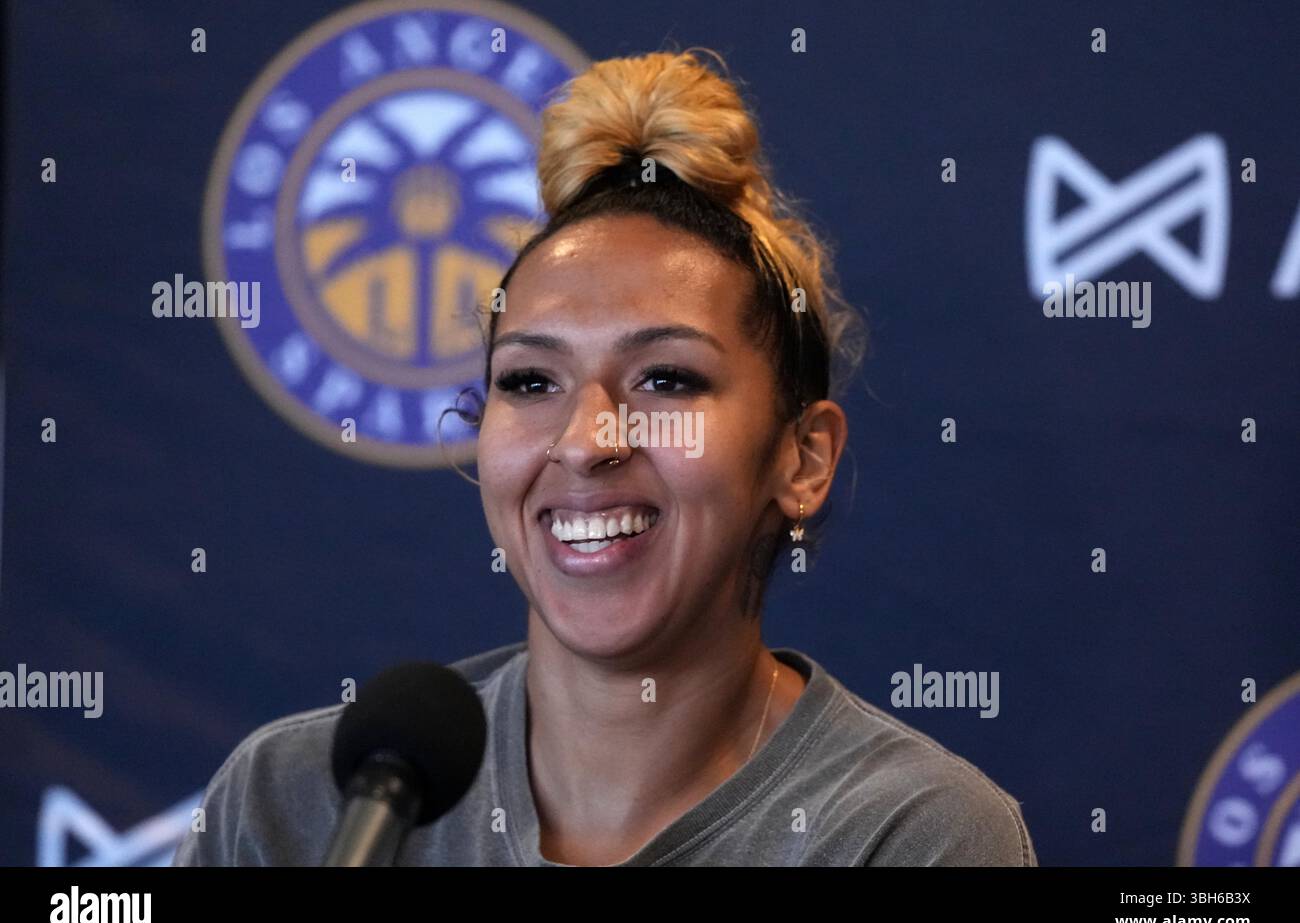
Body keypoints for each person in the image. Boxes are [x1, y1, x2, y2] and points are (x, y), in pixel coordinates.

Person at [174, 49, 1036, 867]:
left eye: (666, 379)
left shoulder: (910, 833)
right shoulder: (292, 802)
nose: (588, 441)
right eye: (531, 381)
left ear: (803, 459)